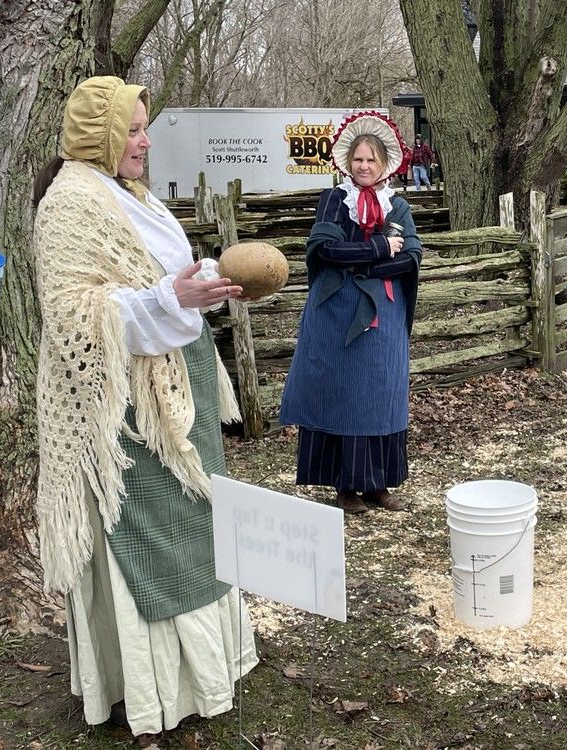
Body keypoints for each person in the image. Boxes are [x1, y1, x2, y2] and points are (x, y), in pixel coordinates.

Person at [32, 77, 257, 736]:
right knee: (150, 540)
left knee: (200, 529)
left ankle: (209, 674)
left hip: (179, 390)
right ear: (100, 135)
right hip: (129, 410)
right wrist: (165, 302)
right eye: (132, 130)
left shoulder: (132, 194)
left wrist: (196, 286)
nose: (144, 140)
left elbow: (156, 278)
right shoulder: (70, 202)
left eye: (143, 127)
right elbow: (70, 314)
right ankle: (154, 694)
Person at [280, 112, 422, 515]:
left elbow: (411, 256)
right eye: (357, 159)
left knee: (381, 396)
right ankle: (345, 488)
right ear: (347, 161)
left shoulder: (397, 206)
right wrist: (378, 249)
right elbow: (324, 250)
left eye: (371, 160)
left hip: (384, 318)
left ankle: (378, 484)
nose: (363, 166)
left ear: (384, 164)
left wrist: (359, 261)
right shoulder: (334, 201)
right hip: (337, 313)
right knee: (342, 395)